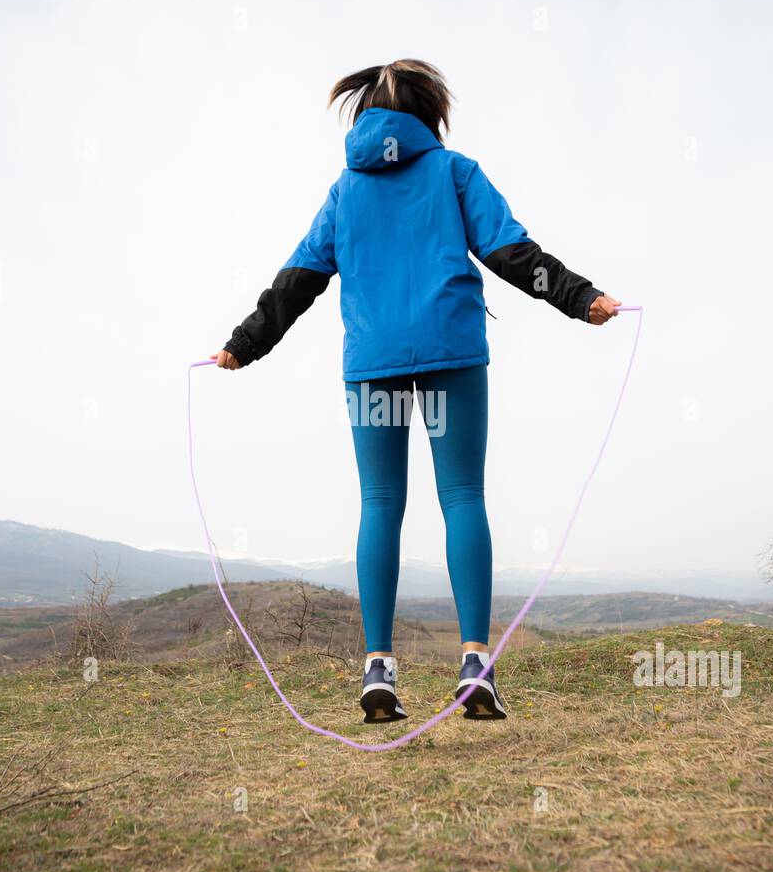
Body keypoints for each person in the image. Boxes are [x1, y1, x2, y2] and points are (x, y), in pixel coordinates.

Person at [214, 60, 619, 724]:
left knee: (379, 504)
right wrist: (581, 298)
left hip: (372, 364)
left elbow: (299, 279)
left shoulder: (346, 191)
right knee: (462, 496)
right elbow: (510, 252)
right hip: (449, 355)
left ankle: (378, 668)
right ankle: (474, 664)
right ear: (430, 113)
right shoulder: (454, 171)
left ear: (367, 116)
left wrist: (244, 343)